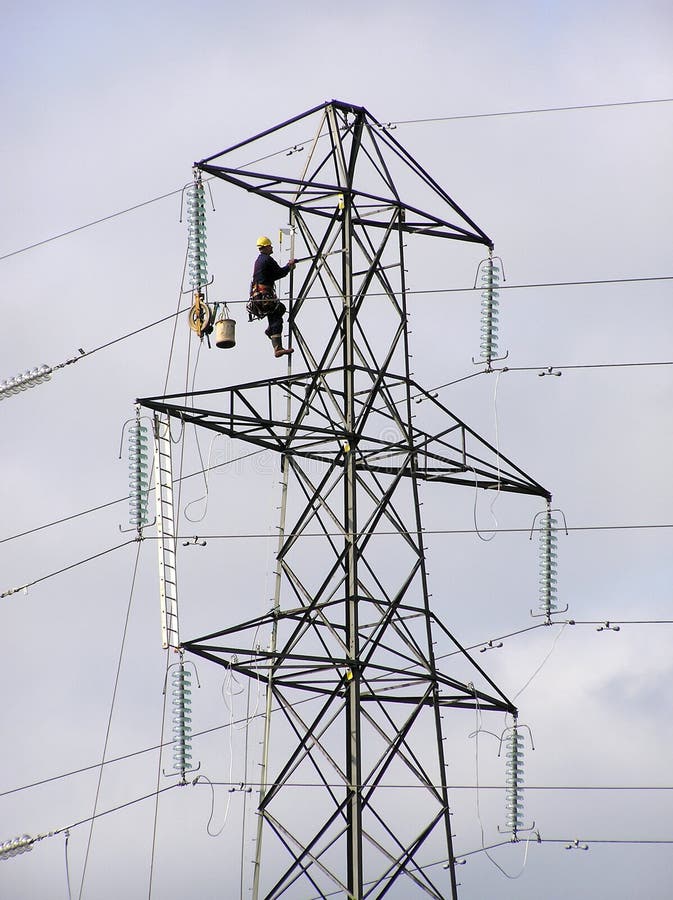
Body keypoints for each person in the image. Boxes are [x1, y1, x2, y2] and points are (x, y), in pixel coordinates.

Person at [247, 235, 296, 358]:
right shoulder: (267, 260)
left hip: (259, 297)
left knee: (280, 310)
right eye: (270, 246)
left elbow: (271, 276)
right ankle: (277, 348)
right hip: (264, 297)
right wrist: (289, 266)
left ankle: (270, 331)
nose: (272, 247)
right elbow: (279, 273)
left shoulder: (259, 260)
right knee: (276, 316)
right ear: (267, 246)